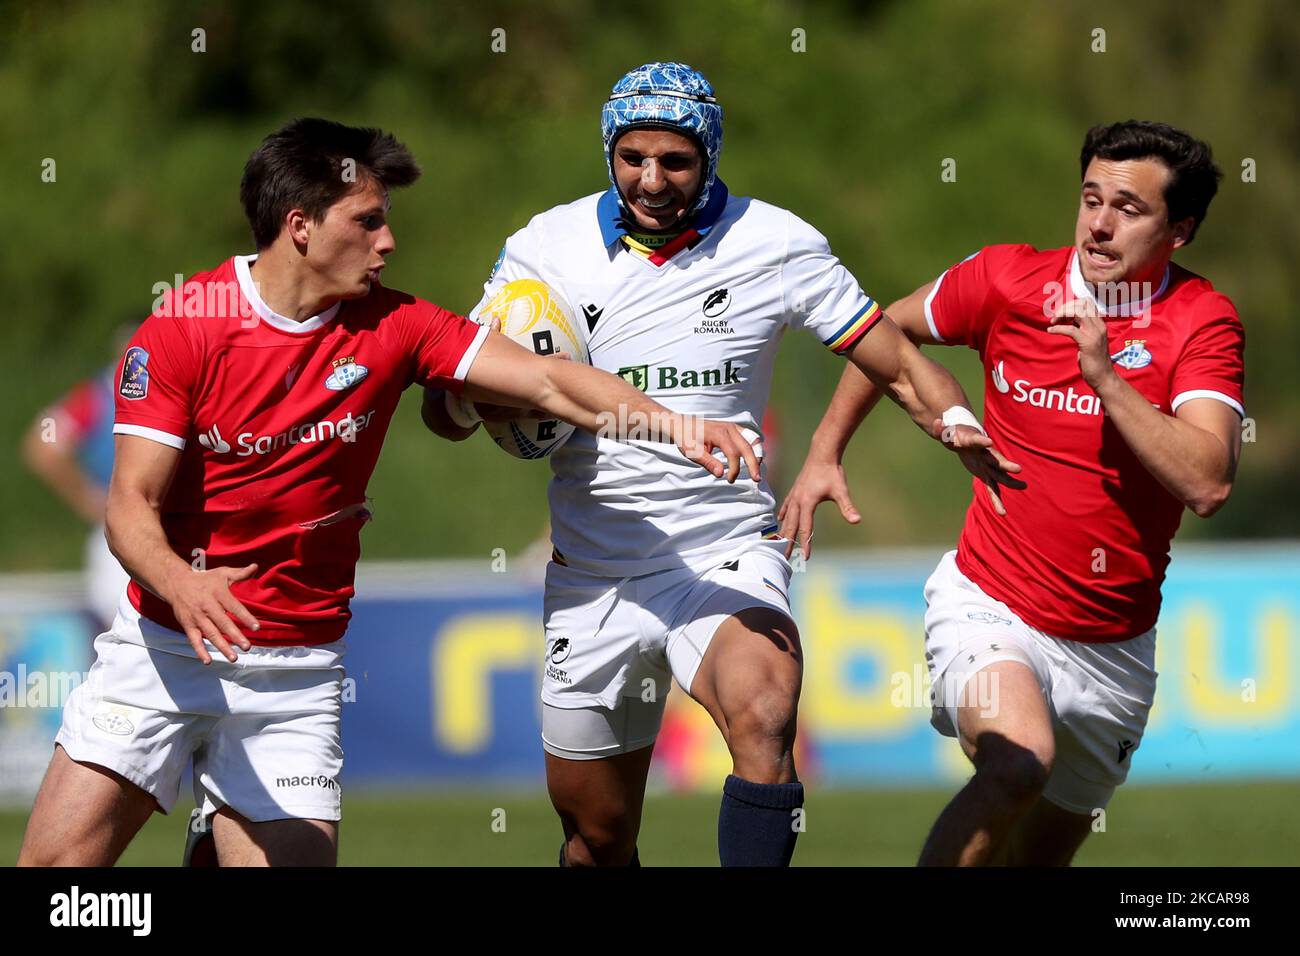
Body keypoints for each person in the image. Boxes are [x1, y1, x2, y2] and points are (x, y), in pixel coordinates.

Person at [17, 117, 759, 867]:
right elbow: (129, 506)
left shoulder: (397, 324)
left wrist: (674, 426)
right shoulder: (184, 327)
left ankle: (218, 833)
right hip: (165, 651)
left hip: (296, 676)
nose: (388, 242)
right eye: (368, 221)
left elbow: (545, 380)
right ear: (300, 225)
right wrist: (183, 583)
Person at [423, 62, 1018, 866]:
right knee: (596, 839)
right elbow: (446, 403)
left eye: (676, 161)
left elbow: (897, 360)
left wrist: (951, 420)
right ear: (610, 151)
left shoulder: (775, 244)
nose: (652, 180)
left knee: (766, 709)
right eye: (633, 157)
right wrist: (474, 403)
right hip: (593, 570)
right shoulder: (543, 249)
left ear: (710, 156)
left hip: (721, 549)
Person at [779, 120, 1244, 865]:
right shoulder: (1009, 279)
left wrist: (1105, 377)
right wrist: (824, 452)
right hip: (991, 603)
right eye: (1091, 198)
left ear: (1179, 230)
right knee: (1017, 761)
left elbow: (1208, 480)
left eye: (1128, 208)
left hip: (1115, 650)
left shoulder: (1202, 321)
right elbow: (887, 328)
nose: (1098, 222)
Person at [22, 329, 135, 630]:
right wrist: (89, 499)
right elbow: (43, 445)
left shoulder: (102, 392)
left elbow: (44, 444)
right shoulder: (101, 396)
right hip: (122, 536)